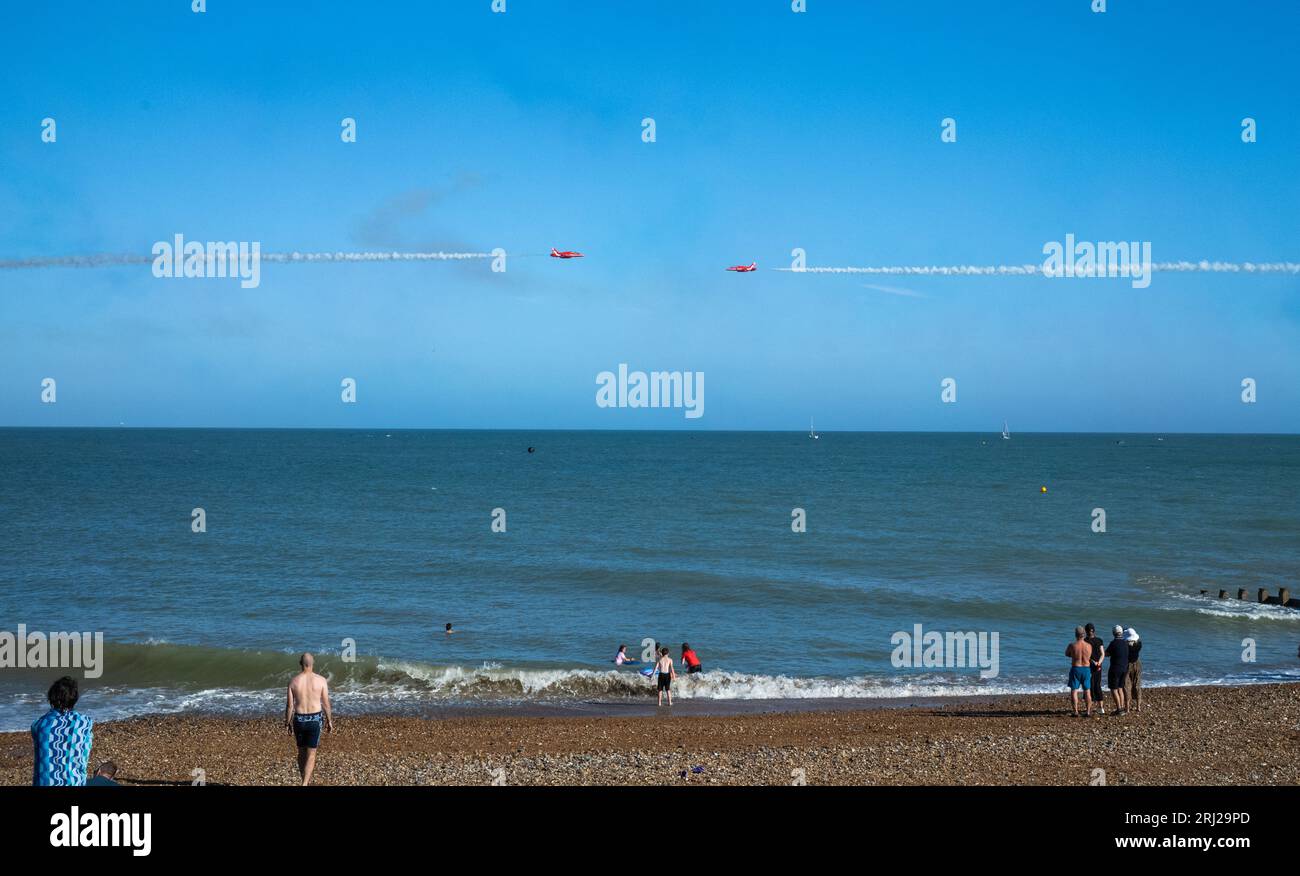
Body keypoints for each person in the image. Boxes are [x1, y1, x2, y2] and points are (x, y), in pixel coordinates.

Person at [31, 676, 94, 786]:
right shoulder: (84, 723)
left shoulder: (39, 725)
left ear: (51, 697)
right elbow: (84, 753)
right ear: (74, 698)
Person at [285, 653, 334, 786]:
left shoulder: (293, 681)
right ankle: (305, 783)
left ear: (300, 663)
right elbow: (326, 703)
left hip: (299, 719)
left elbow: (290, 706)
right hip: (315, 719)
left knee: (301, 751)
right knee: (311, 753)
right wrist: (329, 720)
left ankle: (304, 780)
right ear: (312, 663)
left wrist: (287, 722)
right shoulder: (321, 680)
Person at [1064, 627, 1093, 717]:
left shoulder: (1072, 645)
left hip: (1076, 668)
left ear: (1076, 634)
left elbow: (1067, 654)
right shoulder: (1089, 646)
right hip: (1086, 669)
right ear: (1084, 634)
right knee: (1087, 691)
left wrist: (1074, 655)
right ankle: (1088, 711)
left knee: (1074, 691)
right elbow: (1089, 656)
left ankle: (1075, 711)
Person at [1105, 625, 1130, 715]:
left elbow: (1107, 654)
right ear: (1121, 633)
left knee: (1114, 689)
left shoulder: (1113, 643)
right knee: (1120, 688)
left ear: (1113, 633)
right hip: (1124, 668)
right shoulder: (1125, 643)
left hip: (1115, 668)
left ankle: (1119, 709)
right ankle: (1122, 707)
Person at [1084, 623, 1106, 715]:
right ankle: (1101, 708)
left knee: (1089, 686)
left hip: (1088, 666)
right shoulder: (1099, 640)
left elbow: (1085, 655)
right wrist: (1099, 663)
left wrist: (1092, 661)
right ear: (1094, 631)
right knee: (1097, 685)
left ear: (1086, 631)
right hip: (1098, 666)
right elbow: (1102, 654)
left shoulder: (1085, 641)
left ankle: (1089, 708)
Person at [1124, 628, 1143, 714]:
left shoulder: (1126, 646)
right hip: (1137, 663)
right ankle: (1138, 707)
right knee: (1137, 684)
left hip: (1127, 664)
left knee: (1127, 685)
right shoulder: (1138, 645)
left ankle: (1127, 708)